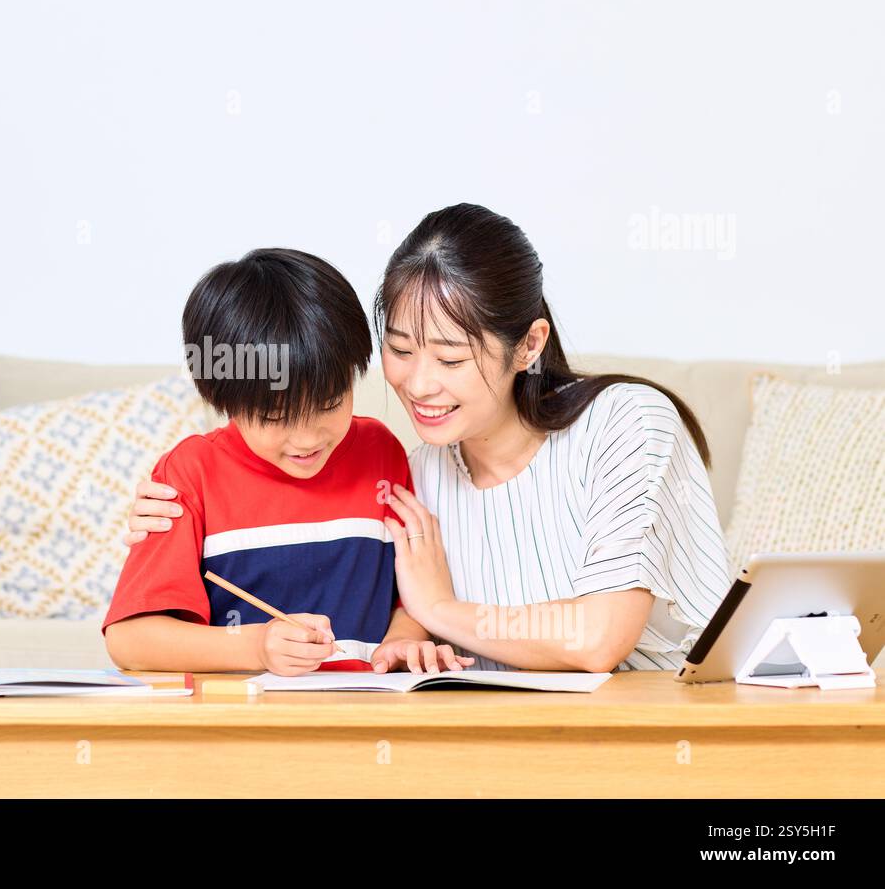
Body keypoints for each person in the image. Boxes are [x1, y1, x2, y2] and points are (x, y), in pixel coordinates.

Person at [125, 205, 733, 673]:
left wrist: (438, 611)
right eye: (400, 349)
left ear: (528, 344)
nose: (418, 384)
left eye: (449, 358)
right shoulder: (416, 474)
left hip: (665, 728)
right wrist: (182, 509)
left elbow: (597, 639)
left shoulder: (627, 423)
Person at [102, 247, 476, 676]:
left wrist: (402, 641)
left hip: (369, 713)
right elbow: (130, 641)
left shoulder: (380, 451)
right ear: (223, 399)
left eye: (330, 404)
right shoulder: (190, 474)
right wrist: (256, 646)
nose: (307, 438)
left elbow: (410, 595)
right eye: (275, 418)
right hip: (249, 723)